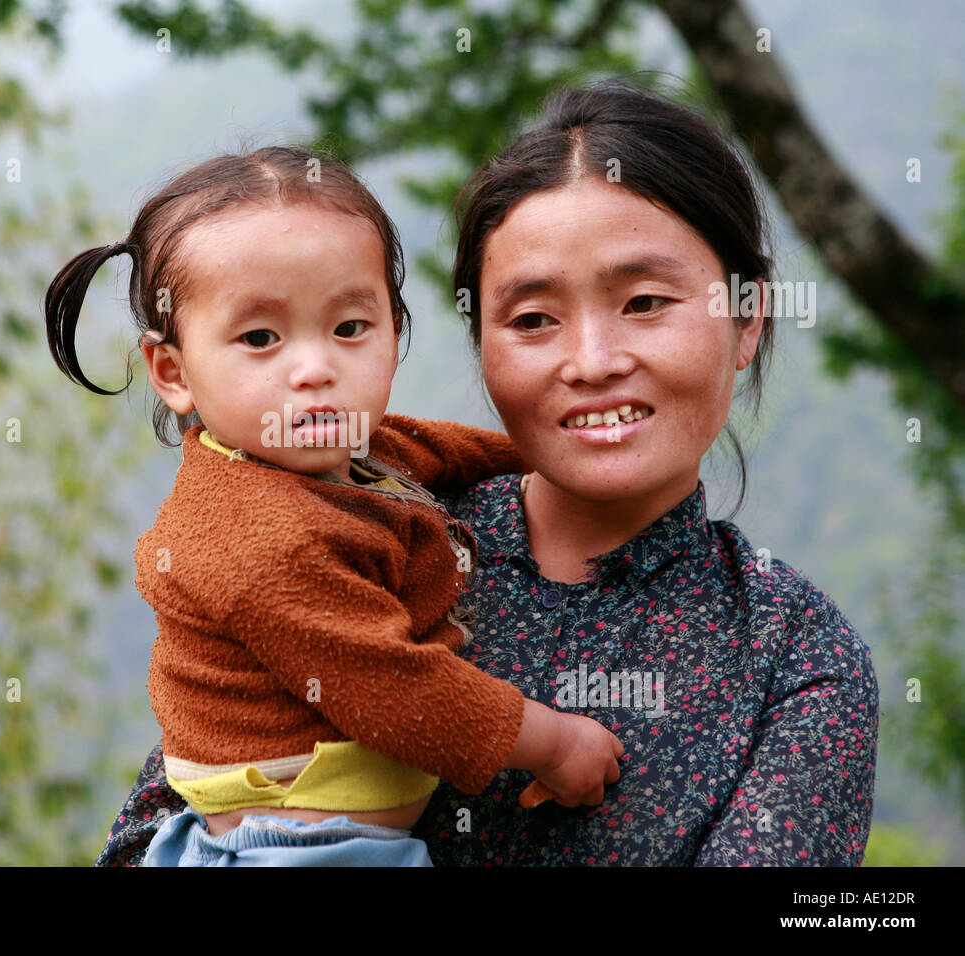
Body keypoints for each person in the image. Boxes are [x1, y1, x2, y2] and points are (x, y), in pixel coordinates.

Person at [95, 81, 880, 867]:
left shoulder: (794, 660)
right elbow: (157, 830)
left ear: (748, 318)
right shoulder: (356, 529)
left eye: (644, 301)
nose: (593, 363)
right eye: (533, 319)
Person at [45, 146, 622, 866]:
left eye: (351, 328)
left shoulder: (349, 454)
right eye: (260, 338)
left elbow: (441, 450)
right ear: (173, 371)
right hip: (293, 847)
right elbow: (397, 689)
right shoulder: (258, 541)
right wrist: (554, 742)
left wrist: (552, 450)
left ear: (393, 330)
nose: (316, 369)